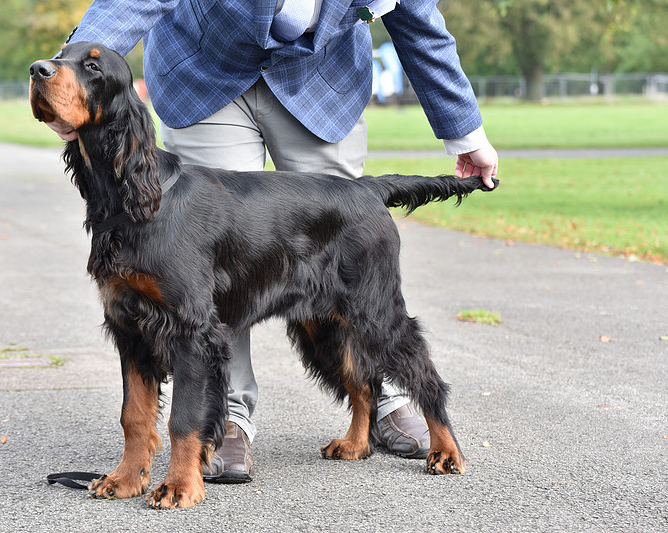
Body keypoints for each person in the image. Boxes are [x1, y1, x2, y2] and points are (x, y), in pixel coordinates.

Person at [47, 0, 499, 483]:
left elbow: (418, 22)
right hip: (206, 71)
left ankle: (398, 411)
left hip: (320, 81)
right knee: (208, 287)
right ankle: (228, 421)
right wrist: (69, 67)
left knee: (368, 319)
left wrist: (464, 131)